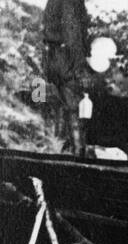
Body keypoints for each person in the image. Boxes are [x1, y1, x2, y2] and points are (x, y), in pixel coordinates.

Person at [41, 0, 90, 154]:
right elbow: (72, 32)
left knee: (55, 104)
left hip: (50, 57)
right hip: (65, 58)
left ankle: (56, 150)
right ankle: (78, 152)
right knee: (74, 105)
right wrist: (80, 67)